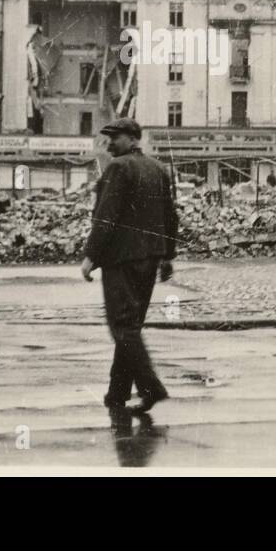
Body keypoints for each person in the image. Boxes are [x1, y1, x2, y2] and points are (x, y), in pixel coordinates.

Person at [80, 118, 177, 414]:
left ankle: (151, 388)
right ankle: (117, 393)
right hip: (149, 259)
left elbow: (106, 216)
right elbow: (170, 216)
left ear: (134, 138)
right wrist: (168, 255)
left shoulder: (119, 168)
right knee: (130, 326)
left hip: (121, 259)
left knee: (122, 326)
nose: (110, 143)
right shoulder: (158, 169)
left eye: (116, 137)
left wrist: (90, 256)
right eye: (108, 137)